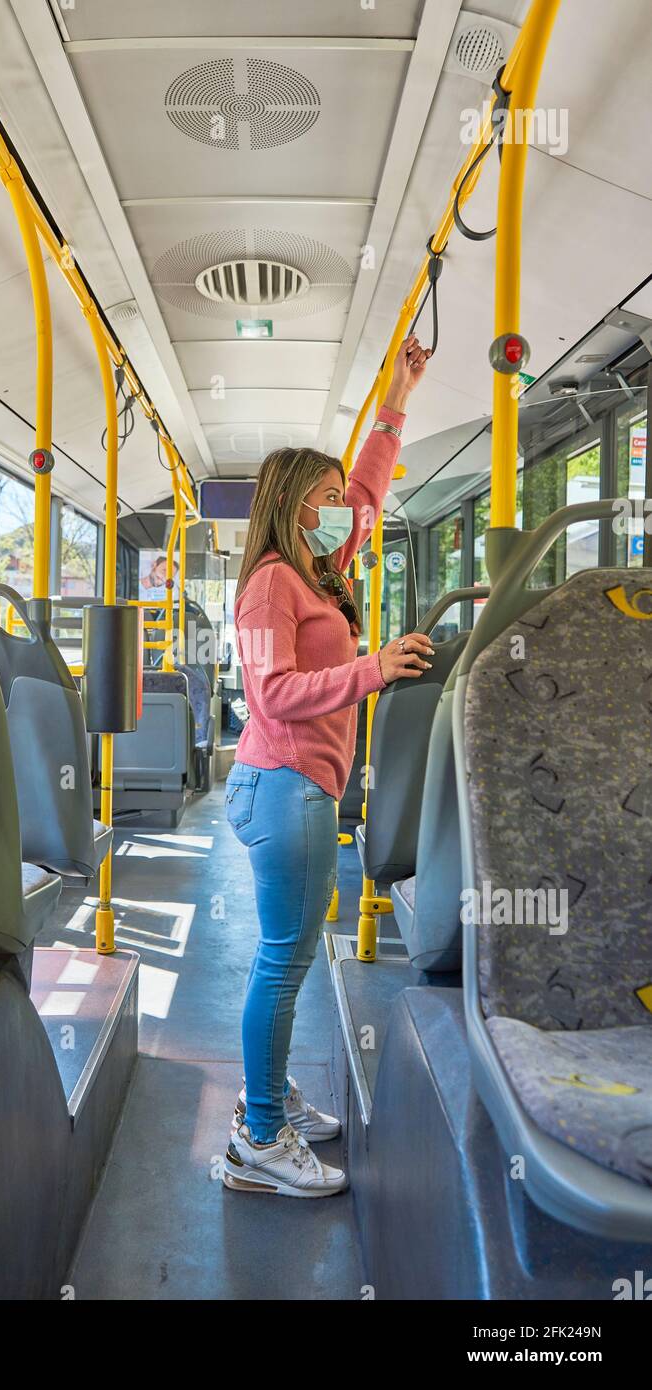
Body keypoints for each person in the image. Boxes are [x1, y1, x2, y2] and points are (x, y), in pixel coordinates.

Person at [223, 334, 433, 1197]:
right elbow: (272, 692)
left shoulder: (318, 571)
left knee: (290, 958)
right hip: (285, 786)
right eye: (322, 492)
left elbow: (370, 495)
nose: (337, 502)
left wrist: (397, 398)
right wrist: (373, 669)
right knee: (281, 961)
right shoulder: (272, 583)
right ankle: (259, 1140)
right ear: (292, 502)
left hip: (293, 787)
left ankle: (266, 1100)